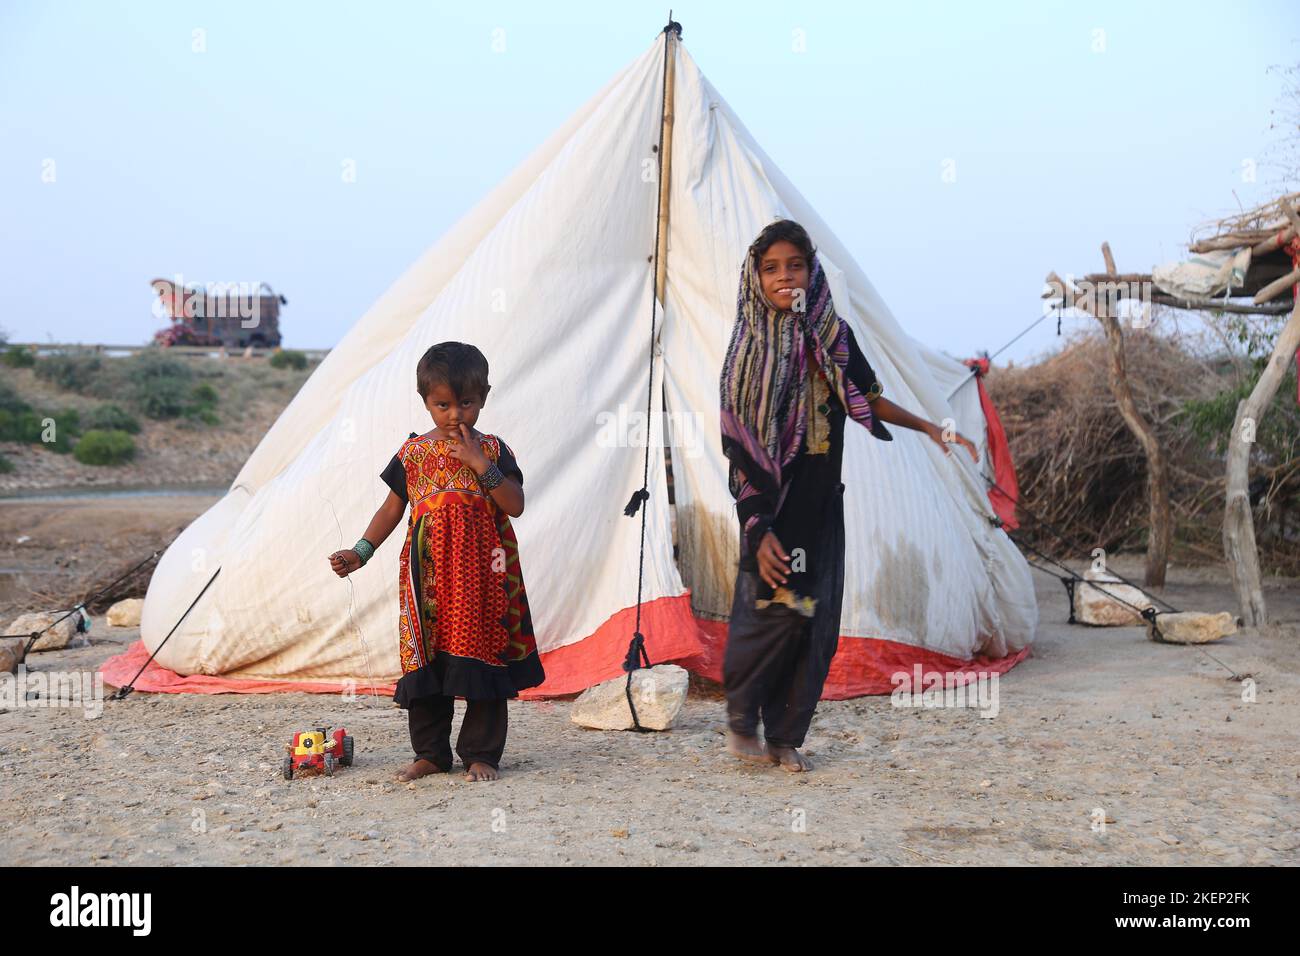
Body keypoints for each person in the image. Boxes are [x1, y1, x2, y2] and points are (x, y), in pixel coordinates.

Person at [719, 220, 978, 772]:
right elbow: (738, 443)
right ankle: (742, 720)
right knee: (769, 613)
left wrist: (932, 427)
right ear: (755, 277)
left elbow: (868, 398)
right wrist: (758, 525)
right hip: (770, 504)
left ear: (811, 272)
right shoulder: (748, 348)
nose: (784, 277)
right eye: (771, 268)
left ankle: (784, 736)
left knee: (814, 623)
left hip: (821, 502)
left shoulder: (834, 336)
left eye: (794, 265)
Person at [328, 341, 544, 782]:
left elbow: (515, 504)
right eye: (442, 405)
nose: (454, 415)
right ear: (425, 402)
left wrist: (480, 463)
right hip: (426, 578)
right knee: (425, 659)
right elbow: (391, 509)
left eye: (466, 403)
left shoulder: (495, 451)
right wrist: (360, 552)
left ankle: (481, 753)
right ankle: (430, 753)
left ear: (484, 396)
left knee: (483, 656)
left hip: (483, 578)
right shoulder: (412, 455)